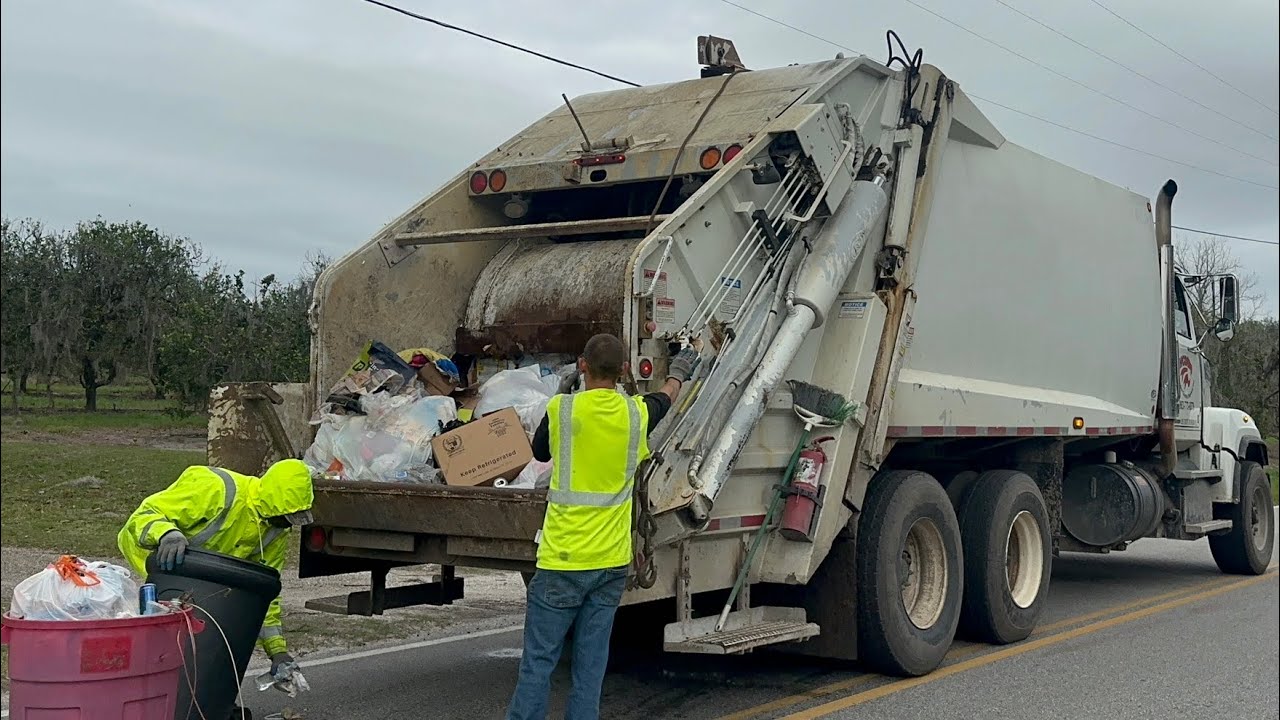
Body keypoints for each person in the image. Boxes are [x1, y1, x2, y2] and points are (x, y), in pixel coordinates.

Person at [506, 334, 698, 720]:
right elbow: (665, 399)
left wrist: (563, 389)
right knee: (590, 671)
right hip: (610, 564)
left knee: (538, 664)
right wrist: (679, 372)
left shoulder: (563, 409)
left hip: (562, 560)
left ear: (582, 366)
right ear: (625, 370)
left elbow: (539, 451)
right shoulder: (636, 414)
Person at [117, 459, 315, 686]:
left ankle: (190, 694)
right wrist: (166, 533)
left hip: (202, 577)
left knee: (198, 635)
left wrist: (277, 651)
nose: (286, 525)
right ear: (272, 502)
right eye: (285, 517)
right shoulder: (217, 489)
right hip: (156, 560)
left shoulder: (275, 528)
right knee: (165, 633)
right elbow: (144, 516)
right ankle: (153, 692)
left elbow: (264, 595)